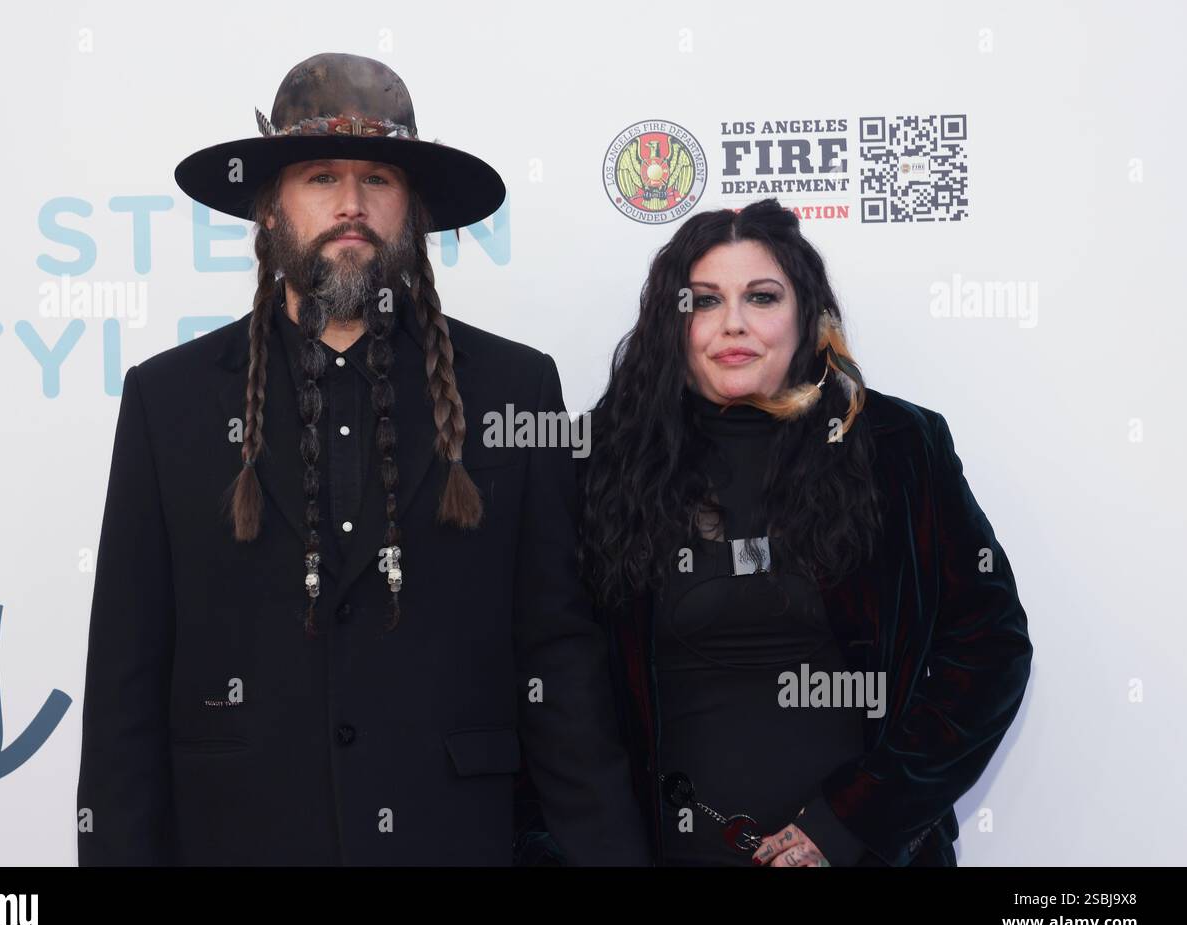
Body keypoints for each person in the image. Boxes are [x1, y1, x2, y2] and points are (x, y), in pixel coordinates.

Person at [75, 52, 648, 866]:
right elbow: (126, 683)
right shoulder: (166, 400)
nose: (351, 205)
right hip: (242, 839)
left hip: (451, 837)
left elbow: (557, 655)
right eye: (319, 178)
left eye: (377, 178)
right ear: (270, 211)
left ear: (411, 209)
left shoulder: (516, 385)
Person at [575, 199, 1033, 866]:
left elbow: (990, 650)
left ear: (805, 314)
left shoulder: (898, 446)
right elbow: (557, 687)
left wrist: (853, 819)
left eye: (762, 296)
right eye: (704, 301)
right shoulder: (603, 467)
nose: (733, 323)